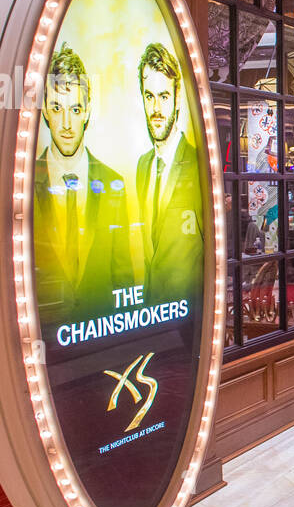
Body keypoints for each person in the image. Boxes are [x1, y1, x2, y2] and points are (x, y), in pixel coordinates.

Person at [34, 43, 134, 321]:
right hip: (46, 335)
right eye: (57, 107)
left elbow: (123, 277)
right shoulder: (25, 183)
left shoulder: (113, 183)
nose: (66, 123)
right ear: (44, 109)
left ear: (88, 111)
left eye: (75, 109)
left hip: (103, 333)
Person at [135, 42, 205, 304]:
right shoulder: (143, 166)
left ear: (177, 99)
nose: (156, 109)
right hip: (154, 310)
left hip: (191, 309)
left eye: (163, 96)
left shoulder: (197, 162)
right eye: (149, 96)